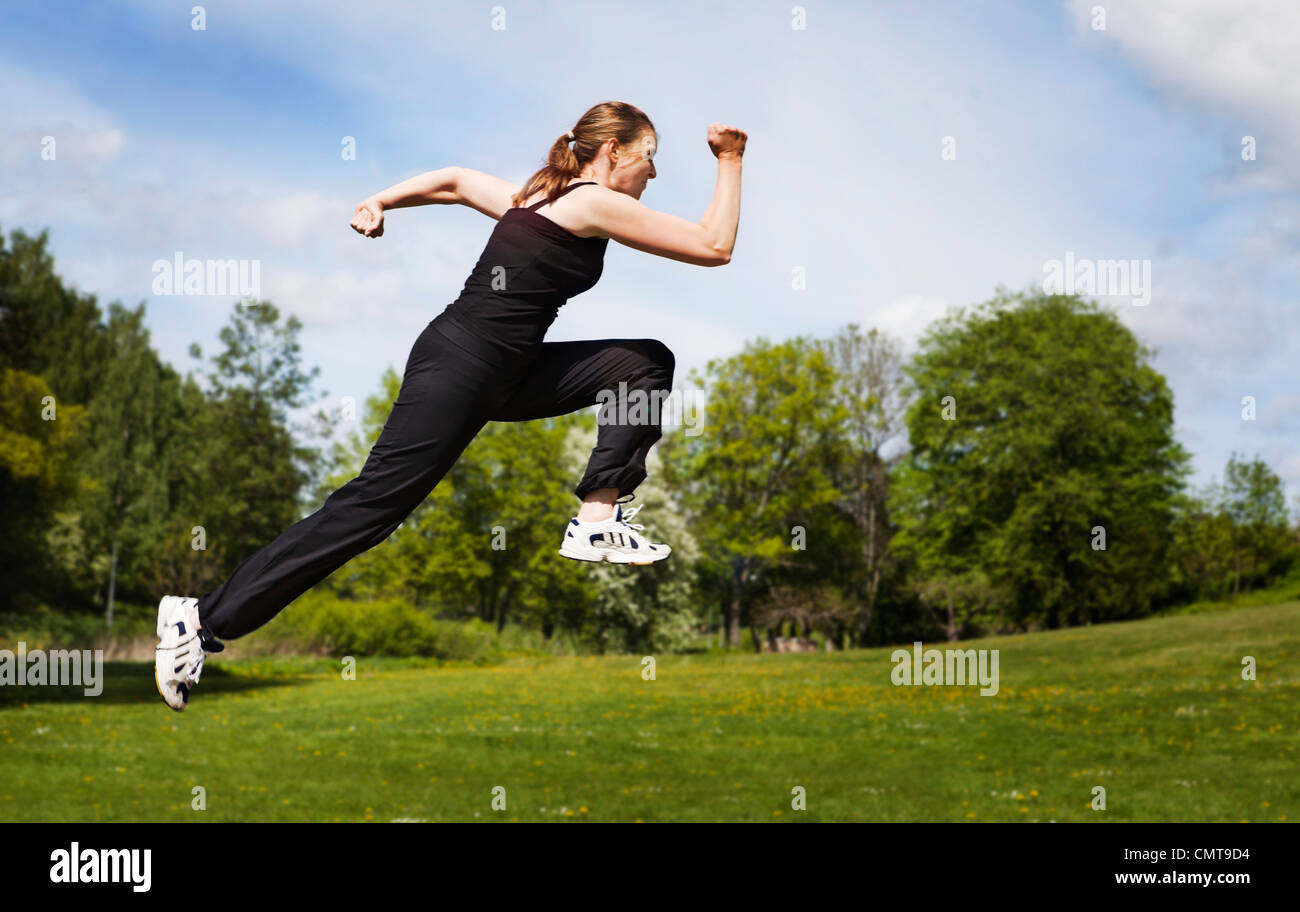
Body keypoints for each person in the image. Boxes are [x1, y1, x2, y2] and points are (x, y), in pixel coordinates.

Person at [154, 101, 746, 710]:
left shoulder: (534, 200)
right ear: (613, 151)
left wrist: (381, 199)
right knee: (369, 508)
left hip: (505, 371)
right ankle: (199, 621)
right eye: (649, 158)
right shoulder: (591, 199)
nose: (652, 174)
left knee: (642, 362)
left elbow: (457, 182)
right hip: (461, 366)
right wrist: (730, 159)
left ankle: (596, 521)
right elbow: (713, 245)